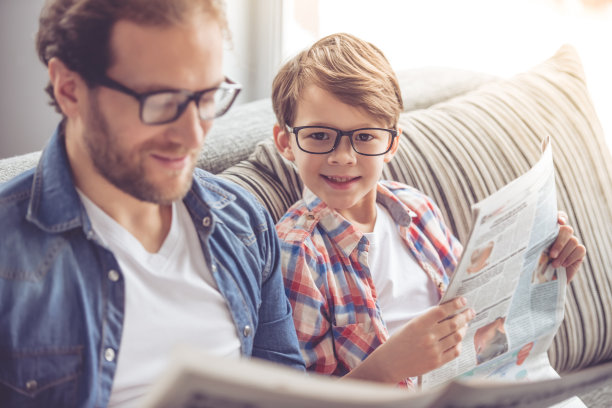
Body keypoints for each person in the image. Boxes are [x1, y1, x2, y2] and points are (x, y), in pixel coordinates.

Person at [0, 1, 304, 407]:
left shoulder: (245, 223)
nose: (193, 136)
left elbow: (286, 392)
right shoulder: (9, 256)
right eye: (162, 100)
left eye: (207, 96)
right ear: (70, 89)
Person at [271, 33, 586, 386]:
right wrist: (386, 368)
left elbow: (477, 319)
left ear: (392, 143)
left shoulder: (416, 208)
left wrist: (545, 275)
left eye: (364, 137)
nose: (343, 156)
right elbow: (301, 398)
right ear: (286, 143)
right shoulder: (296, 253)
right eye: (318, 136)